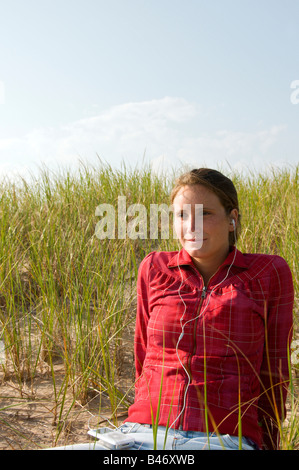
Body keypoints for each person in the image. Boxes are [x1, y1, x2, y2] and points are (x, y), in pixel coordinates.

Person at [117, 168, 294, 450]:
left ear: (232, 219)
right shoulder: (154, 267)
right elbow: (143, 358)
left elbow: (275, 373)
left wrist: (268, 442)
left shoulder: (268, 272)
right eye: (182, 215)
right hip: (142, 432)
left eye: (204, 214)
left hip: (225, 437)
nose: (191, 227)